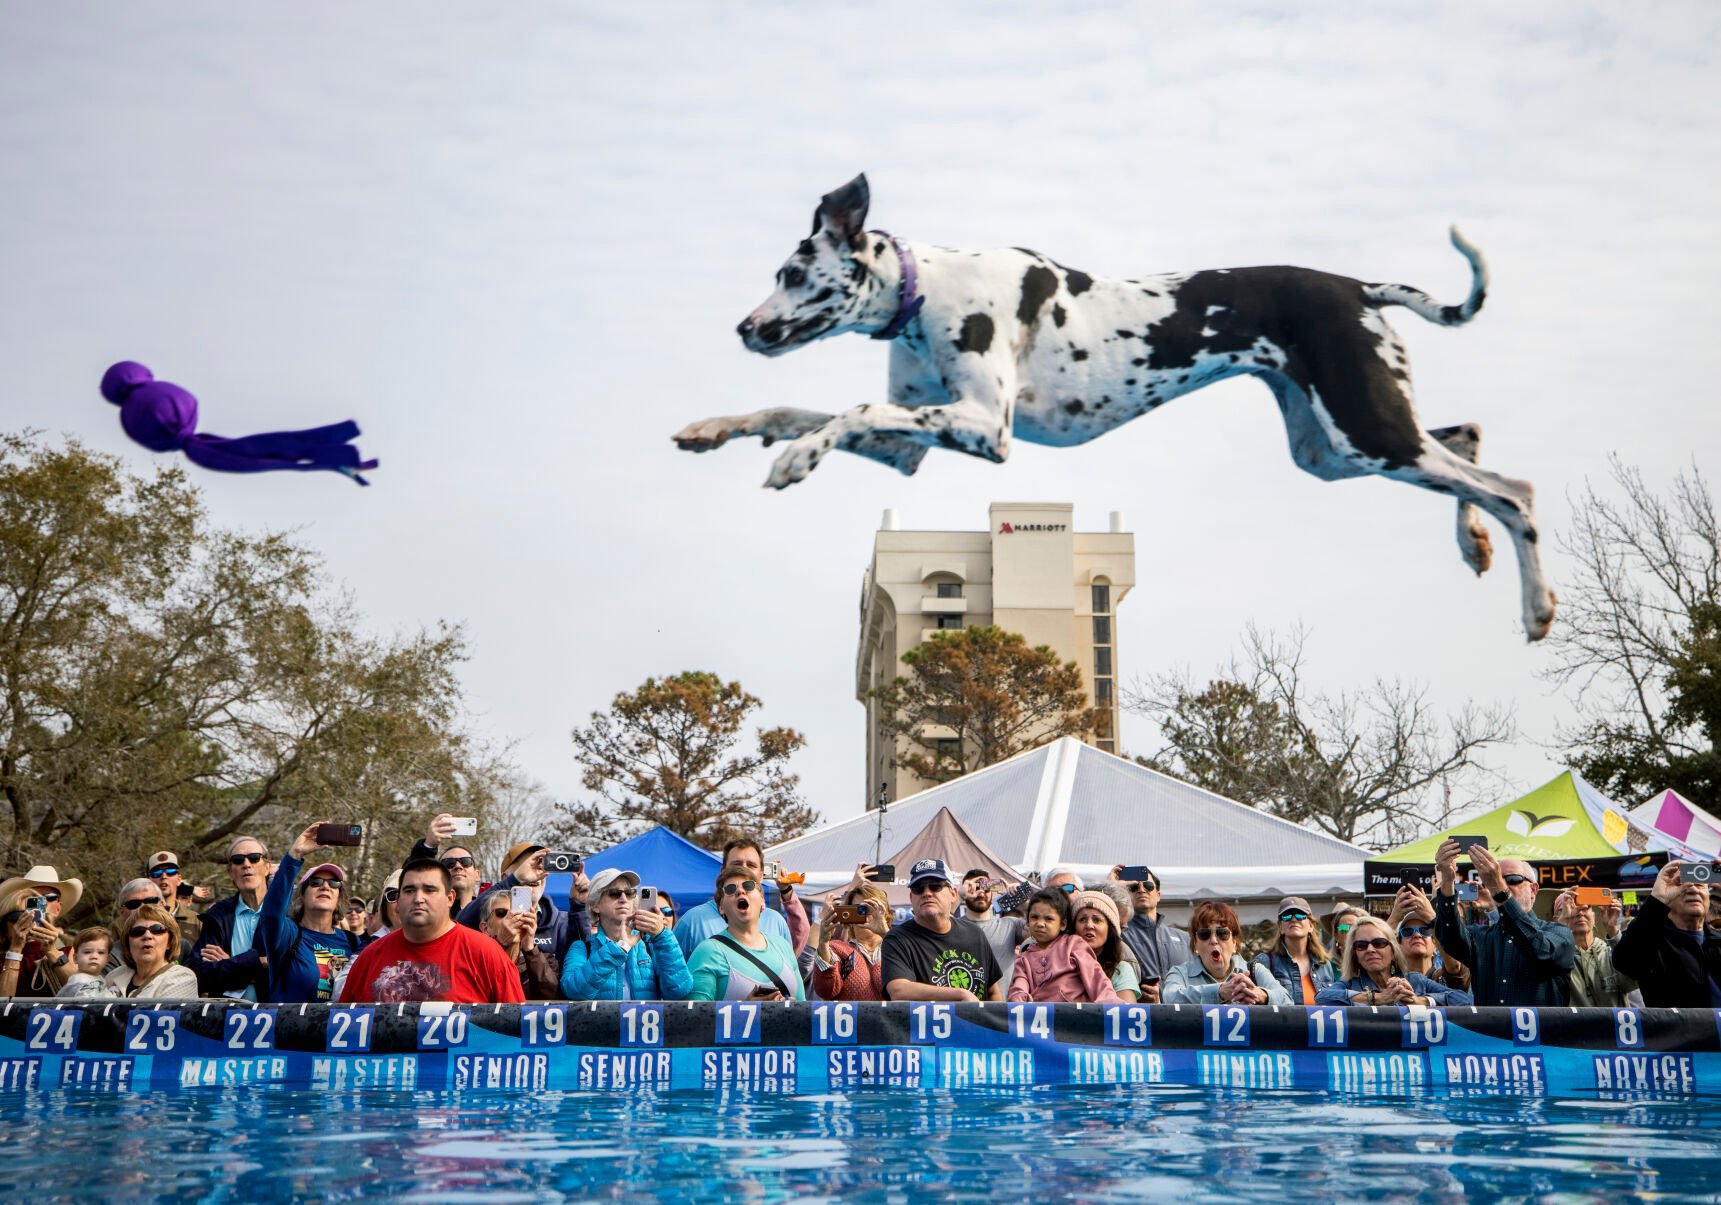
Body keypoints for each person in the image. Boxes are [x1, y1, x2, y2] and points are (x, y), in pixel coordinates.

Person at [340, 859, 526, 1004]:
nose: (418, 898)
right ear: (398, 899)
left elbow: (517, 1032)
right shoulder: (369, 958)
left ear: (450, 898)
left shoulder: (487, 954)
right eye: (409, 890)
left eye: (430, 890)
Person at [1432, 838, 1574, 1006]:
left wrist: (1498, 887)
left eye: (1513, 879)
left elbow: (1538, 949)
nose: (1503, 884)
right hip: (1489, 1032)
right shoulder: (1482, 935)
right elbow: (1449, 938)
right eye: (1497, 880)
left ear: (1533, 890)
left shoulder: (1560, 933)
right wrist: (1448, 883)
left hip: (1541, 1032)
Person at [258, 822, 365, 1004]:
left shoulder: (351, 941)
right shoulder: (288, 935)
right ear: (302, 895)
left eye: (334, 884)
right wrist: (295, 854)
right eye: (315, 882)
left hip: (336, 1030)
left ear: (339, 897)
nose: (325, 886)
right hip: (291, 1030)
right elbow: (271, 914)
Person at [880, 859, 1004, 1003]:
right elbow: (899, 990)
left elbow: (993, 992)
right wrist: (960, 995)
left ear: (953, 894)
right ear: (911, 897)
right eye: (918, 888)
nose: (927, 893)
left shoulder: (974, 933)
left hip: (974, 1025)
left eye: (935, 886)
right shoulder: (897, 939)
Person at [455, 841, 584, 978]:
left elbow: (582, 960)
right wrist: (515, 880)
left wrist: (580, 905)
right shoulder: (489, 918)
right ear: (506, 878)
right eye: (526, 867)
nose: (534, 874)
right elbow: (460, 925)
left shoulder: (561, 921)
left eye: (541, 866)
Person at [559, 869, 691, 1001]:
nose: (623, 899)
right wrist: (620, 948)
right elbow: (573, 991)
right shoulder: (582, 948)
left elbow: (679, 990)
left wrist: (662, 936)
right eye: (614, 893)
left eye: (629, 893)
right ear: (595, 906)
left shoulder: (651, 945)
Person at [675, 837, 807, 959]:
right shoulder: (693, 921)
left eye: (751, 865)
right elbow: (669, 972)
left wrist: (786, 890)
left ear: (761, 876)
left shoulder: (775, 921)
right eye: (736, 864)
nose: (744, 870)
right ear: (723, 872)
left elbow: (791, 964)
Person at [687, 867, 804, 1001]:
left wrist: (794, 1008)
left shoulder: (782, 946)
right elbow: (694, 1019)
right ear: (721, 908)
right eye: (730, 889)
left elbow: (806, 1011)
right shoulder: (708, 952)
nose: (740, 891)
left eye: (748, 886)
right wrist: (746, 1010)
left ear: (761, 900)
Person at [1613, 862, 1721, 1007]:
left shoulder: (1717, 940)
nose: (1693, 890)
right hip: (1681, 1029)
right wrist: (1657, 900)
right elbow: (1627, 963)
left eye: (1699, 885)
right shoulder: (1652, 940)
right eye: (1681, 885)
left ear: (1709, 897)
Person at [1315, 914, 1472, 1007]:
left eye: (1379, 943)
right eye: (1361, 945)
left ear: (1392, 949)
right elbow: (1322, 998)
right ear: (1354, 954)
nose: (1370, 949)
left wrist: (1420, 1001)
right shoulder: (1349, 983)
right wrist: (1375, 998)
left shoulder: (1415, 981)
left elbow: (1464, 1000)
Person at [189, 835, 272, 1001]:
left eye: (254, 858)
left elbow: (290, 970)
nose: (246, 864)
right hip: (227, 1018)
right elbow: (200, 975)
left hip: (276, 1016)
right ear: (230, 872)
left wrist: (231, 964)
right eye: (238, 860)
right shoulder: (217, 916)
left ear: (267, 868)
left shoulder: (287, 912)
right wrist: (258, 961)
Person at [1161, 901, 1291, 1005]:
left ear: (1234, 942)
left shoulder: (1255, 971)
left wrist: (1261, 995)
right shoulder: (1179, 973)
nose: (1213, 940)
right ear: (1195, 943)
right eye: (1204, 934)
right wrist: (1219, 992)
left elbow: (1287, 1001)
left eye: (1222, 933)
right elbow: (1169, 998)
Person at [1009, 888, 1121, 1004]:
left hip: (1073, 1017)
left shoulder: (1073, 944)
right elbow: (1019, 987)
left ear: (1062, 924)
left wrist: (1108, 1002)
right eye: (1034, 917)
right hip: (1041, 1018)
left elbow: (1094, 976)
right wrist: (1019, 999)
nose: (1040, 924)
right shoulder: (1024, 958)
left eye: (1048, 919)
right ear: (1027, 921)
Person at [0, 865, 82, 995]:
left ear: (57, 908)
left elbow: (82, 995)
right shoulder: (3, 959)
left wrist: (52, 951)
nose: (41, 902)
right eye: (18, 916)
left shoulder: (69, 950)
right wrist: (15, 949)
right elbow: (3, 1004)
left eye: (49, 897)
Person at [1111, 866, 1187, 1002]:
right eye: (1134, 887)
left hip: (1182, 1016)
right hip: (1138, 1013)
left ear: (1158, 895)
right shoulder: (1118, 932)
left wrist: (1163, 996)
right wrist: (1111, 887)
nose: (1141, 890)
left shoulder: (1185, 938)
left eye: (1148, 885)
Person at [1551, 889, 1635, 1007]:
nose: (1579, 912)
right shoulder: (1552, 957)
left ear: (1594, 916)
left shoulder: (1610, 952)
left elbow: (1631, 982)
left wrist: (1612, 929)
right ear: (1556, 920)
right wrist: (1562, 927)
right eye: (1567, 907)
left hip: (1614, 1025)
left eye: (1586, 906)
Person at [810, 880, 891, 1001]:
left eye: (870, 909)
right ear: (848, 915)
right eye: (858, 910)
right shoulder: (837, 949)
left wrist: (886, 934)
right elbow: (826, 990)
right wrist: (823, 944)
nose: (865, 915)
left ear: (885, 913)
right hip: (852, 1019)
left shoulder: (899, 946)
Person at [477, 888, 562, 1000]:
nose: (512, 919)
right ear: (486, 928)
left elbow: (551, 998)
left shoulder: (545, 960)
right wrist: (501, 945)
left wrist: (530, 949)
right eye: (502, 913)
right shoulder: (475, 962)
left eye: (518, 913)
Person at [1252, 895, 1337, 1005]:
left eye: (1300, 915)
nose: (1293, 919)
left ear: (1311, 925)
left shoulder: (1324, 965)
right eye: (1286, 916)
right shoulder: (1264, 962)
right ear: (1281, 928)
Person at [104, 904, 199, 998]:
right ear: (128, 942)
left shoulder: (182, 978)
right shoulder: (114, 977)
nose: (147, 936)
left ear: (170, 942)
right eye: (138, 931)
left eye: (157, 929)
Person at [960, 869, 1025, 987]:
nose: (980, 892)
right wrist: (959, 895)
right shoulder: (952, 926)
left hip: (1002, 1004)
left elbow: (1041, 928)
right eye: (974, 887)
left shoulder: (1011, 925)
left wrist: (1023, 898)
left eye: (986, 887)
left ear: (993, 892)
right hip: (965, 1004)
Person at [409, 813, 485, 914]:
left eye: (465, 862)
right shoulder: (427, 912)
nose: (458, 866)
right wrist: (428, 846)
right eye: (449, 863)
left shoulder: (490, 913)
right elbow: (414, 878)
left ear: (477, 875)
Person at [1072, 890, 1139, 1002]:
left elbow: (1126, 1016)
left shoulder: (1121, 969)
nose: (1089, 925)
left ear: (1110, 930)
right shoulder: (1059, 963)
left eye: (1097, 920)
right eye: (1082, 919)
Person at [145, 850, 212, 944]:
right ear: (149, 880)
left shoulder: (197, 921)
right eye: (157, 873)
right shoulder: (137, 918)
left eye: (170, 871)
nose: (164, 876)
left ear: (179, 880)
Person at [106, 879, 166, 970]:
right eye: (134, 904)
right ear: (122, 911)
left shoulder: (182, 946)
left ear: (162, 905)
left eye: (151, 901)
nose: (143, 908)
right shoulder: (111, 956)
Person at [56, 928, 114, 999]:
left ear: (107, 959)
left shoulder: (100, 979)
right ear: (75, 958)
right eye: (87, 952)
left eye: (101, 952)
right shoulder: (78, 984)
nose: (94, 956)